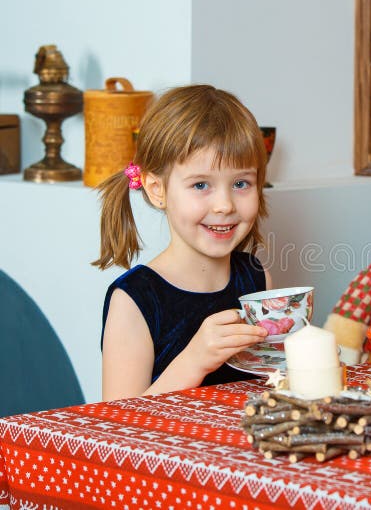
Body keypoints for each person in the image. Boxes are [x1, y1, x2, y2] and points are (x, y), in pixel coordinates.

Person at [93, 85, 272, 400]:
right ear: (157, 189)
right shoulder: (135, 300)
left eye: (241, 183)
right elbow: (120, 420)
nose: (225, 205)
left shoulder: (258, 278)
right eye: (201, 185)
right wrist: (194, 361)